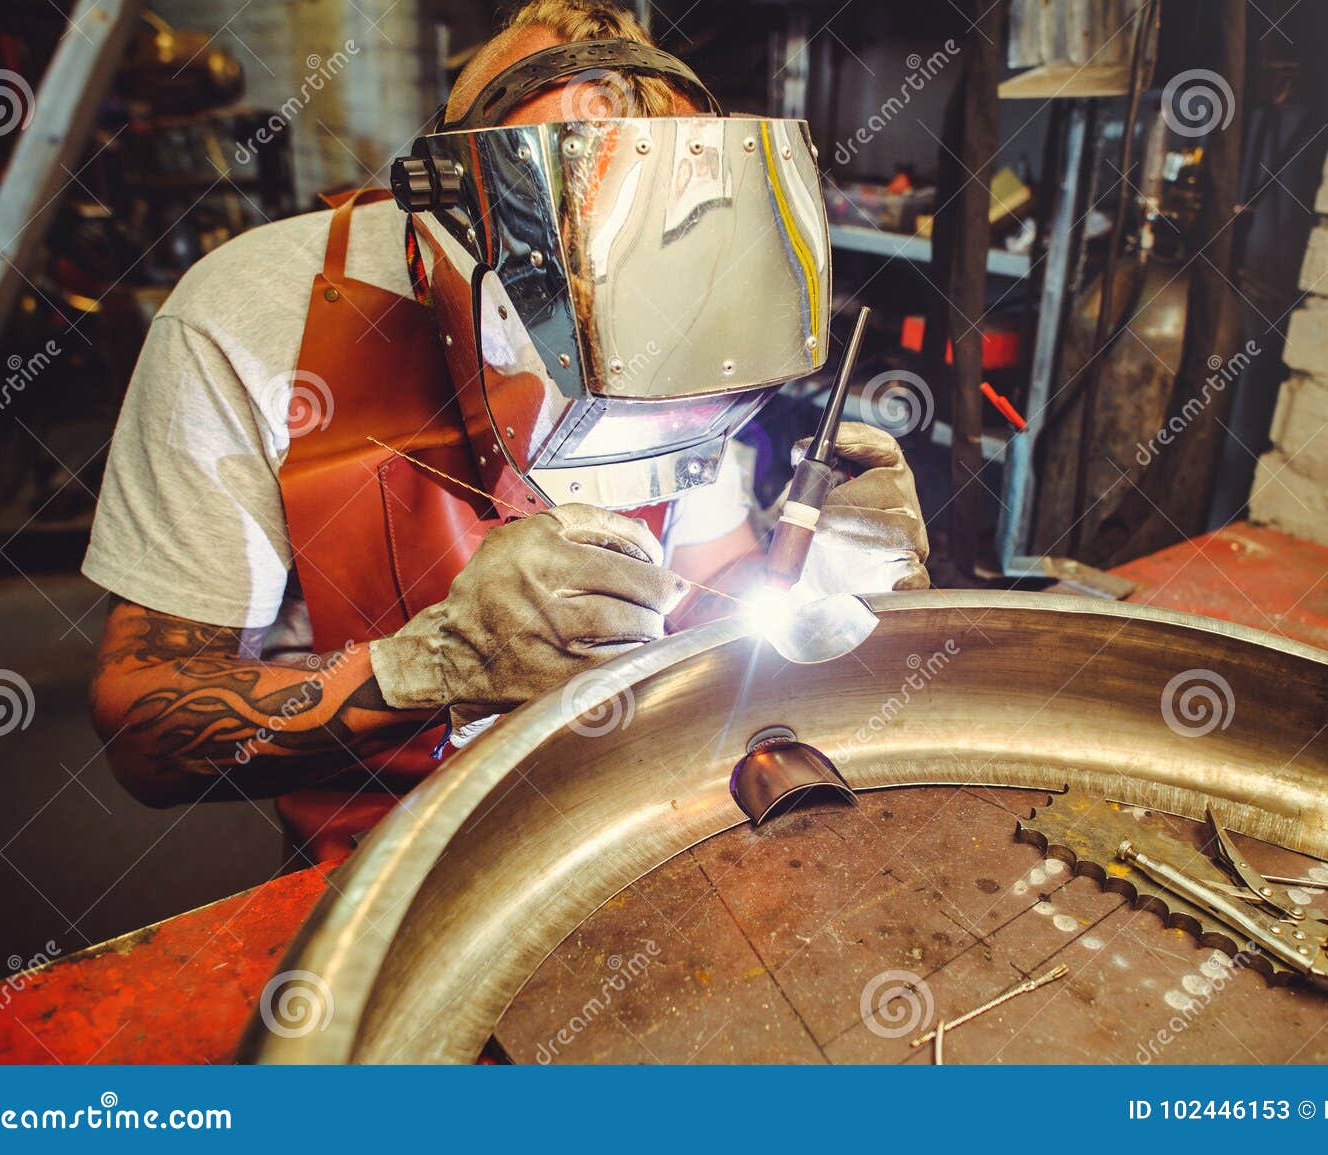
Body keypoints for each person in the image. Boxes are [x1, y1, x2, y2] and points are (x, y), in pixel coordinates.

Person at [84, 0, 928, 861]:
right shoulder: (245, 322)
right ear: (448, 239)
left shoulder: (692, 318)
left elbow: (714, 591)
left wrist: (818, 584)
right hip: (384, 859)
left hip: (627, 820)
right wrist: (431, 667)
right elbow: (146, 735)